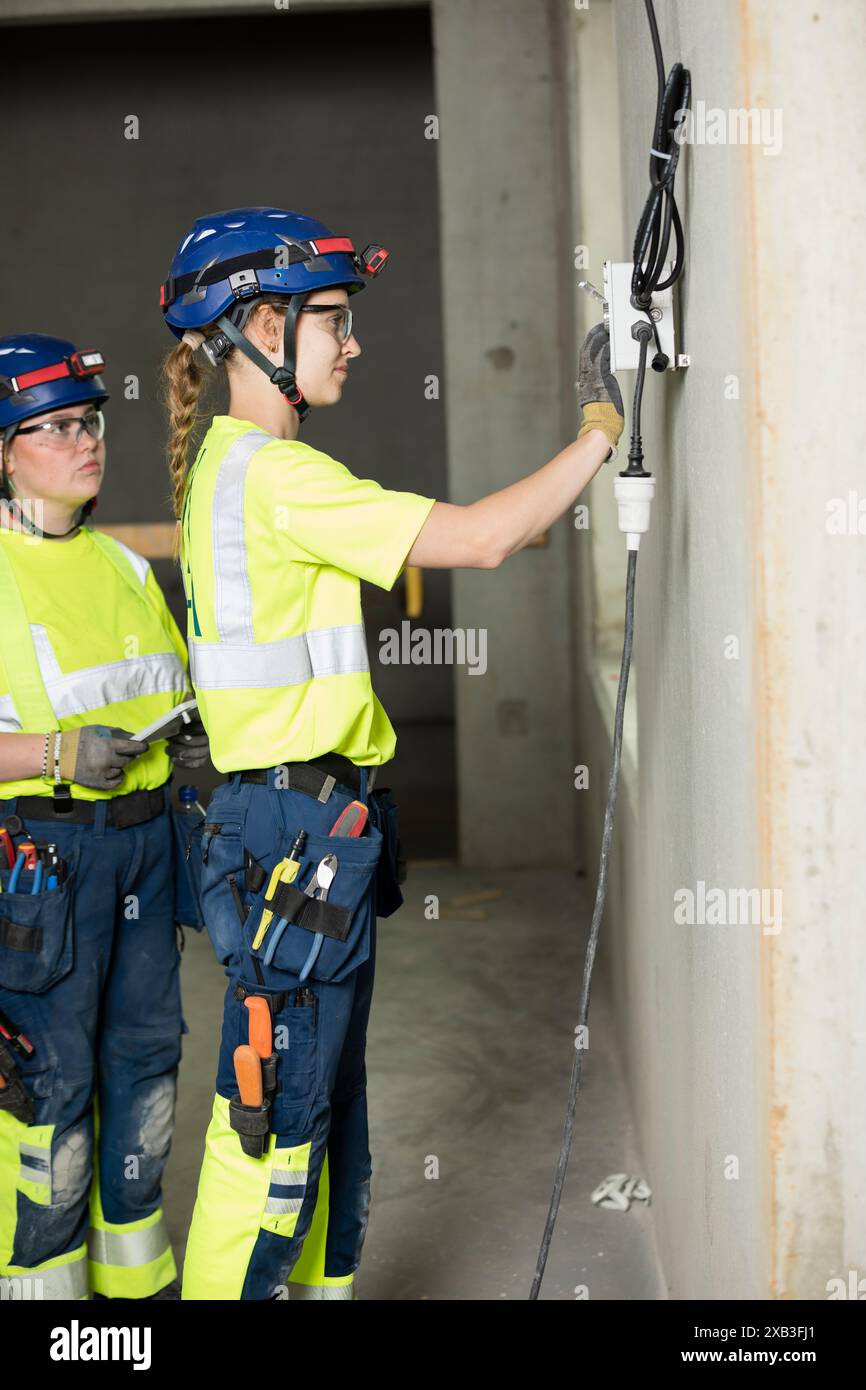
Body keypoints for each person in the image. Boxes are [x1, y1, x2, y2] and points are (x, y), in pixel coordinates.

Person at [159, 207, 624, 1300]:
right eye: (331, 319)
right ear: (257, 325)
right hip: (288, 832)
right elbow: (486, 539)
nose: (352, 342)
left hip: (292, 826)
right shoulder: (275, 480)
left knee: (305, 1099)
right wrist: (602, 429)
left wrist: (565, 468)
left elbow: (500, 525)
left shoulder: (243, 468)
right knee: (271, 1114)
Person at [0, 334, 209, 1300]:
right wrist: (55, 754)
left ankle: (135, 1285)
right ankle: (44, 1292)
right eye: (58, 428)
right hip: (45, 863)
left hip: (142, 847)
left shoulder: (123, 565)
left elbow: (169, 688)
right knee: (53, 1080)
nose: (88, 442)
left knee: (148, 1059)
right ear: (5, 451)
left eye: (92, 422)